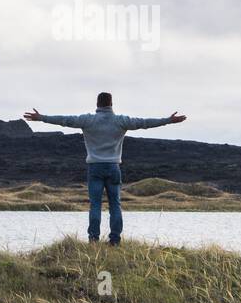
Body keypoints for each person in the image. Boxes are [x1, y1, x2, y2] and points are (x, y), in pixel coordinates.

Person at [24, 93, 186, 245]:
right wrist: (168, 120)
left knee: (95, 205)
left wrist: (42, 118)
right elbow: (144, 123)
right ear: (111, 104)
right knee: (115, 204)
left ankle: (93, 240)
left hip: (95, 167)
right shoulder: (121, 121)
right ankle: (114, 240)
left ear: (97, 104)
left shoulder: (88, 120)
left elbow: (65, 120)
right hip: (114, 167)